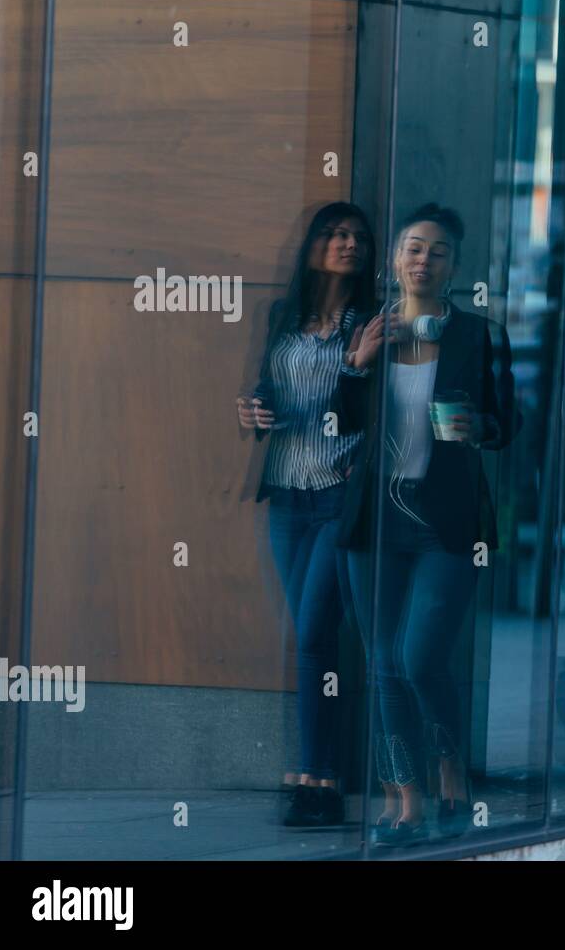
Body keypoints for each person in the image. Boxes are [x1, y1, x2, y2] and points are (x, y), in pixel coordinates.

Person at [335, 203, 516, 845]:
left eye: (437, 251)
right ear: (395, 259)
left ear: (454, 266)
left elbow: (506, 425)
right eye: (413, 248)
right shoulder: (368, 328)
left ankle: (451, 772)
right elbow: (340, 422)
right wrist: (356, 364)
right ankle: (406, 802)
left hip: (449, 519)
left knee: (419, 656)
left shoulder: (479, 334)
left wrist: (481, 428)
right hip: (375, 516)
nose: (423, 260)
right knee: (384, 662)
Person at [236, 201, 376, 827]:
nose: (348, 245)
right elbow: (267, 391)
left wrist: (353, 367)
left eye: (357, 238)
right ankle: (314, 772)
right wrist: (252, 411)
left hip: (338, 495)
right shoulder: (282, 317)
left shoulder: (370, 320)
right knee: (309, 636)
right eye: (336, 234)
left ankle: (320, 777)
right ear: (314, 245)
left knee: (315, 631)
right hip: (287, 496)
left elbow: (377, 409)